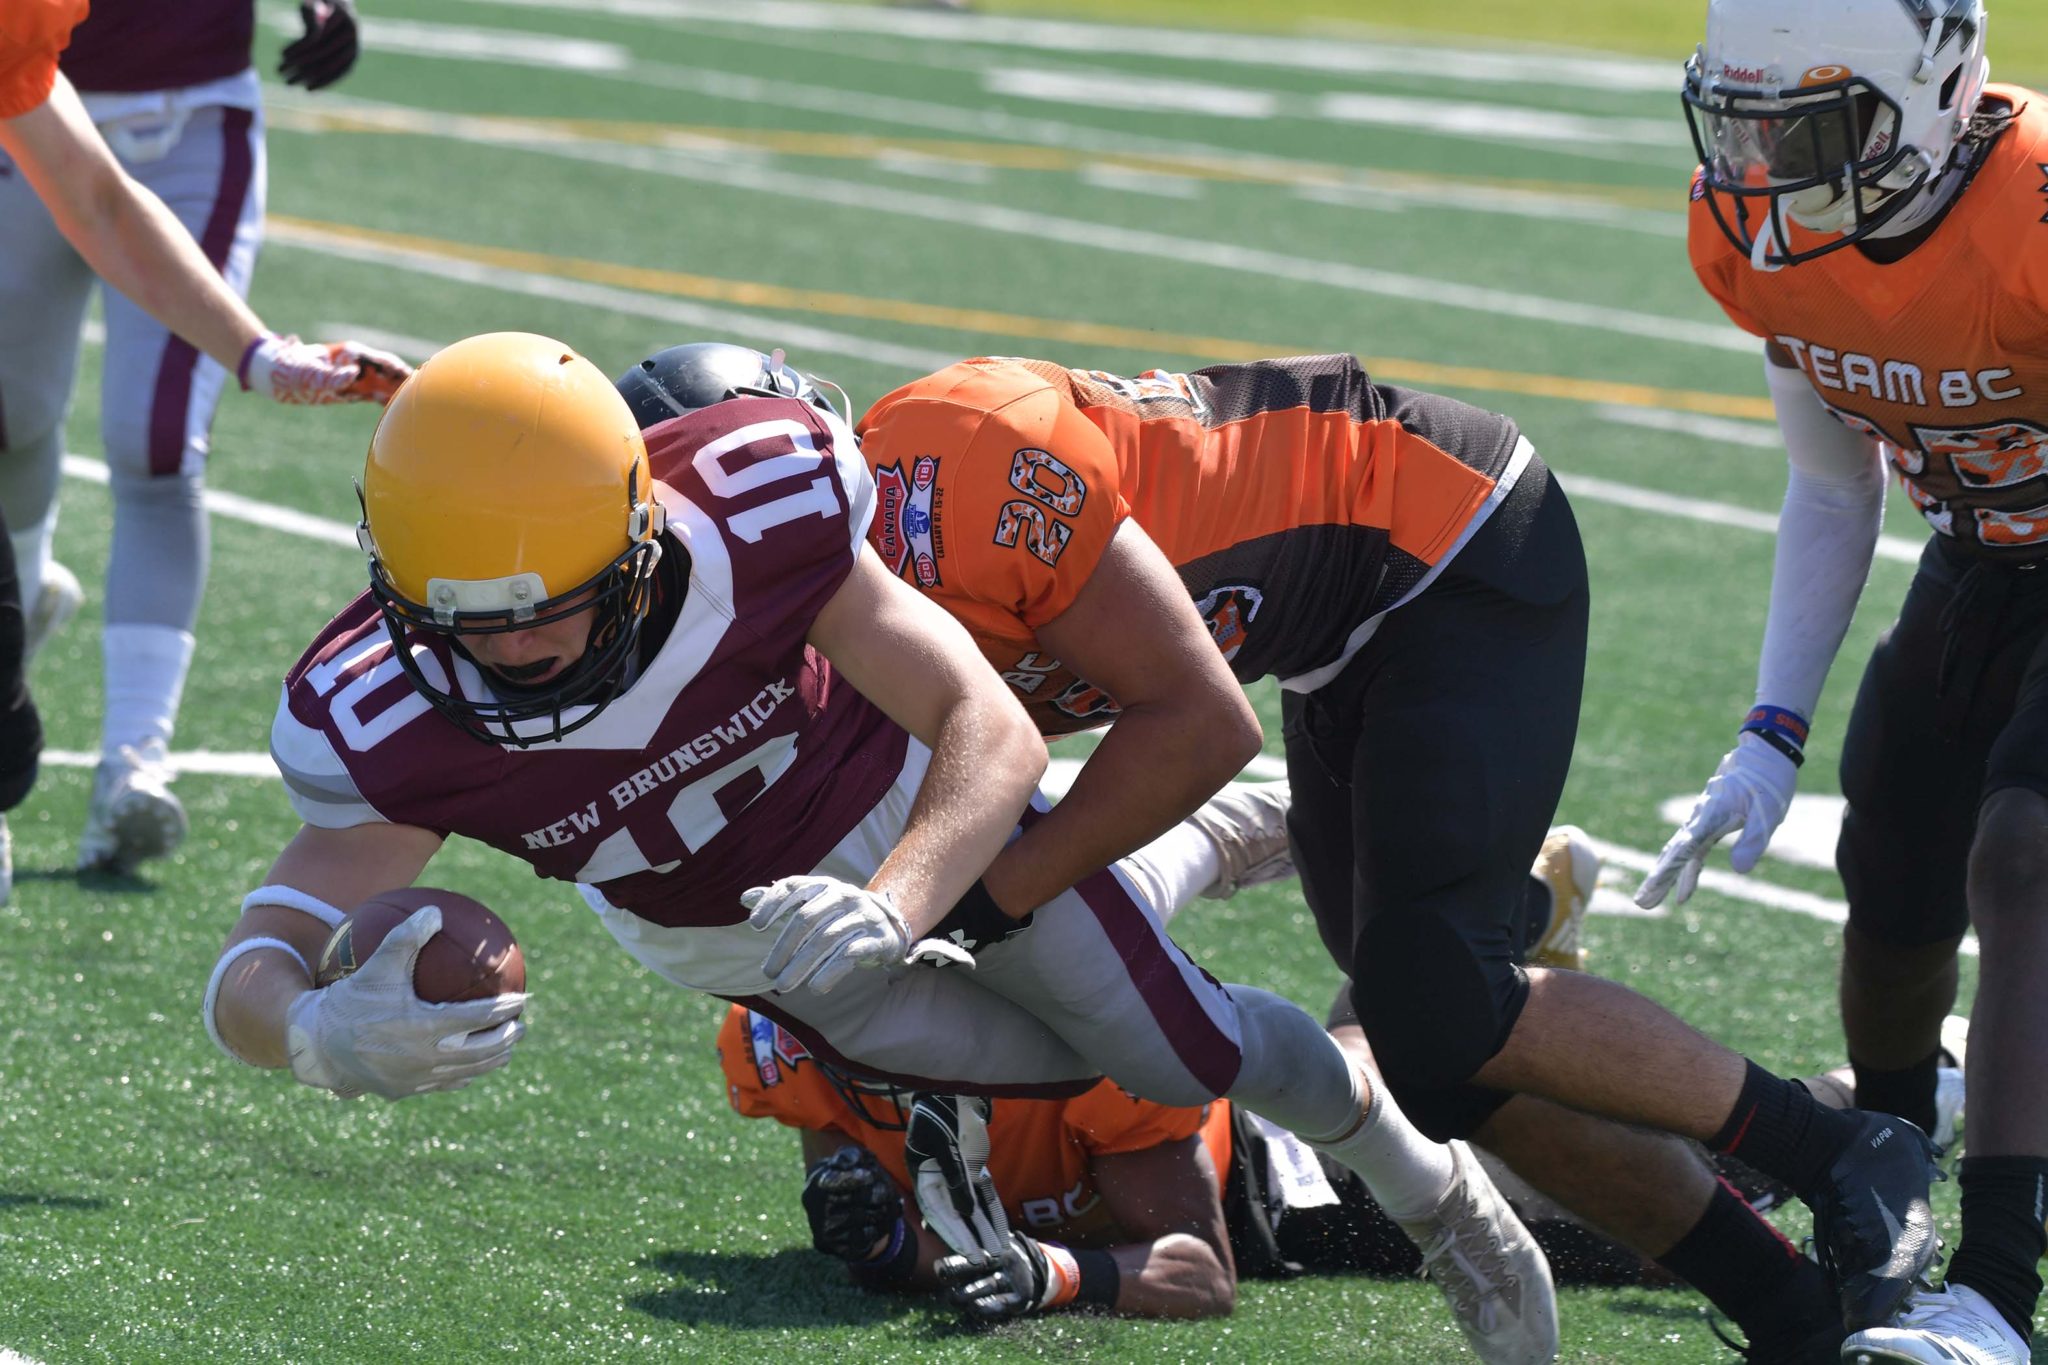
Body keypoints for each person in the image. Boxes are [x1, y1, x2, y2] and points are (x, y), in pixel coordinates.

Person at [202, 331, 1559, 1364]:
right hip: (732, 933)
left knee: (1170, 1049)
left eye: (542, 615)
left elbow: (985, 717)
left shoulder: (753, 516)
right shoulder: (376, 712)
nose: (508, 657)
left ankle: (1432, 1191)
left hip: (911, 815)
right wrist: (309, 1032)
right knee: (1060, 1059)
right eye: (464, 627)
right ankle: (1174, 862)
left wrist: (907, 892)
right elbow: (253, 956)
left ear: (632, 531)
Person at [618, 341, 1938, 1362]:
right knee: (1445, 1054)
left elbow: (1196, 725)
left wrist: (989, 903)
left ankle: (1840, 1151)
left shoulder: (964, 466)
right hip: (1334, 637)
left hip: (1444, 539)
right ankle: (1784, 1308)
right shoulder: (810, 619)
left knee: (1435, 997)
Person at [1643, 0, 2047, 1359]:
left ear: (1932, 93)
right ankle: (1890, 1155)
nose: (1762, 167)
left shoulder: (2035, 217)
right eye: (1745, 123)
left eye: (1805, 128)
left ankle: (1997, 1285)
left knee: (2026, 852)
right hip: (1985, 549)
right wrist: (1769, 732)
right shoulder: (1769, 242)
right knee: (1894, 850)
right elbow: (1832, 478)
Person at [0, 0, 401, 876]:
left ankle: (132, 753)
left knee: (151, 442)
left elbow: (100, 202)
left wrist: (262, 358)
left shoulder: (25, 31)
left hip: (181, 108)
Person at [716, 1001, 1666, 1328]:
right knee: (1405, 1054)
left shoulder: (1072, 1056)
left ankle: (1809, 1114)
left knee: (1655, 1231)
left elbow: (1202, 1272)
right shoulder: (783, 1042)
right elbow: (906, 1239)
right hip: (1237, 1118)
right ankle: (1441, 1013)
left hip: (1276, 1180)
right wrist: (881, 1250)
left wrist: (1053, 1274)